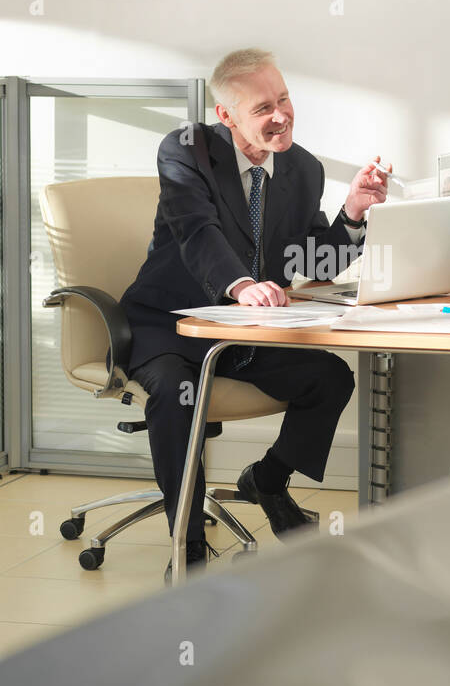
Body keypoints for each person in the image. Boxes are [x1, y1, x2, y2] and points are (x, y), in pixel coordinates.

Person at [121, 48, 387, 577]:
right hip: (171, 326)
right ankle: (188, 548)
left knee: (329, 378)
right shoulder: (187, 150)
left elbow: (310, 260)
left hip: (244, 333)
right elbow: (197, 230)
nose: (281, 115)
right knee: (178, 397)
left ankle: (267, 479)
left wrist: (353, 211)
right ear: (226, 116)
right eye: (263, 107)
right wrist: (240, 284)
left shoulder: (303, 167)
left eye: (284, 99)